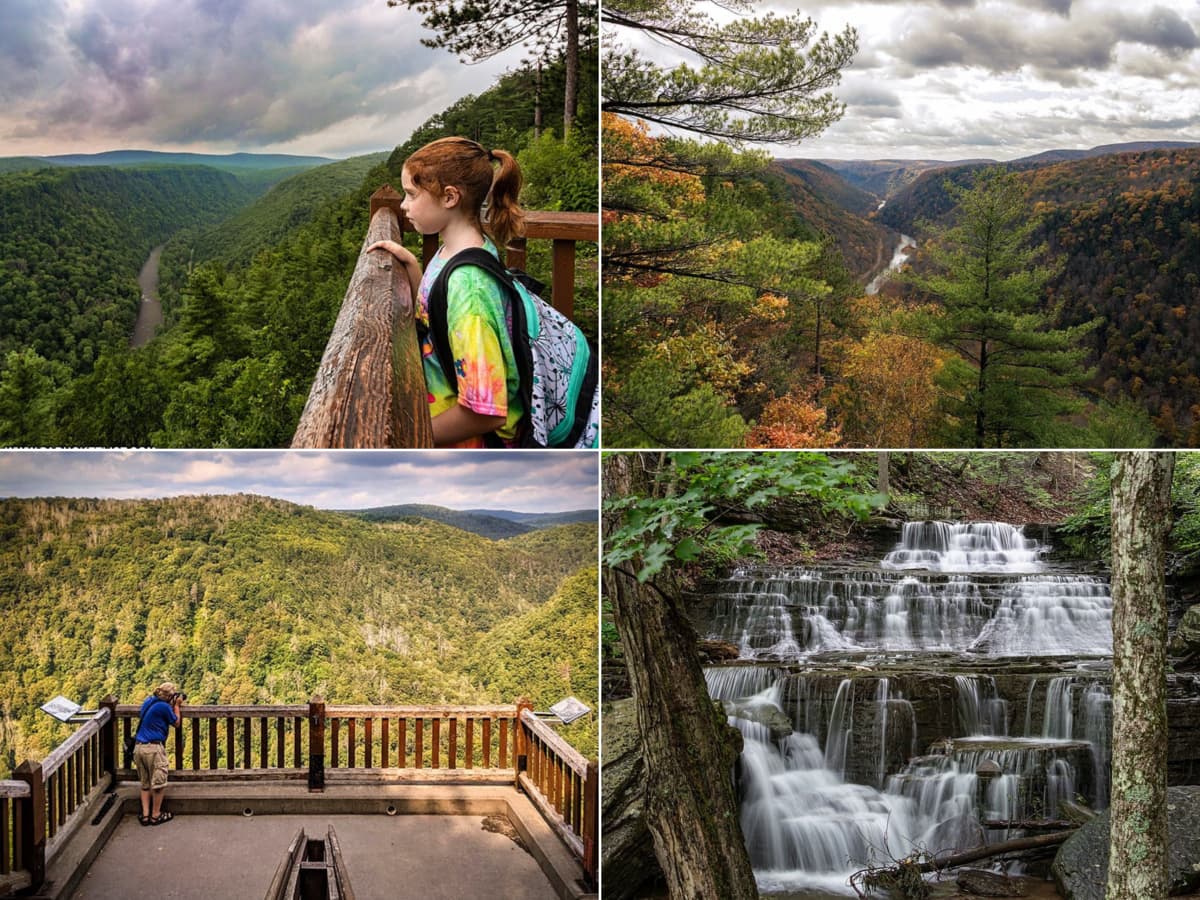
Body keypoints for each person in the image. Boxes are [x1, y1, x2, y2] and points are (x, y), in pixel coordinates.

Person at [366, 137, 525, 448]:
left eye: (411, 195)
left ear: (450, 197)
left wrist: (412, 439)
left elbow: (486, 412)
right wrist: (411, 266)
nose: (403, 205)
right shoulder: (460, 250)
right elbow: (435, 314)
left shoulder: (470, 289)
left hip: (469, 439)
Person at [133, 681, 182, 825]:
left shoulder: (149, 701)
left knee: (145, 783)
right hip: (153, 748)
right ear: (170, 696)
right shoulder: (164, 707)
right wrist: (177, 706)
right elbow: (176, 723)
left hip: (139, 748)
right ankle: (156, 815)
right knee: (158, 784)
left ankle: (145, 815)